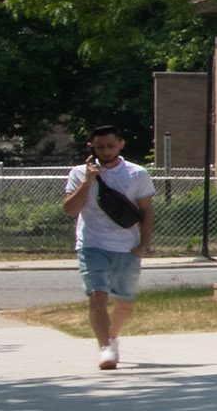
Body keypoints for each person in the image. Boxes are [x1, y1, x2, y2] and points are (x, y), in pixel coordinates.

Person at [63, 122, 152, 371]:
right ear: (92, 147)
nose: (106, 151)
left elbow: (146, 212)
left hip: (127, 247)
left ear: (121, 144)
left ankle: (112, 336)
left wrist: (143, 245)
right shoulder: (79, 173)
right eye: (100, 147)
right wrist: (88, 181)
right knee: (97, 296)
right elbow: (70, 210)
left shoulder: (137, 173)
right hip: (91, 244)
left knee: (125, 303)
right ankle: (105, 348)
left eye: (111, 146)